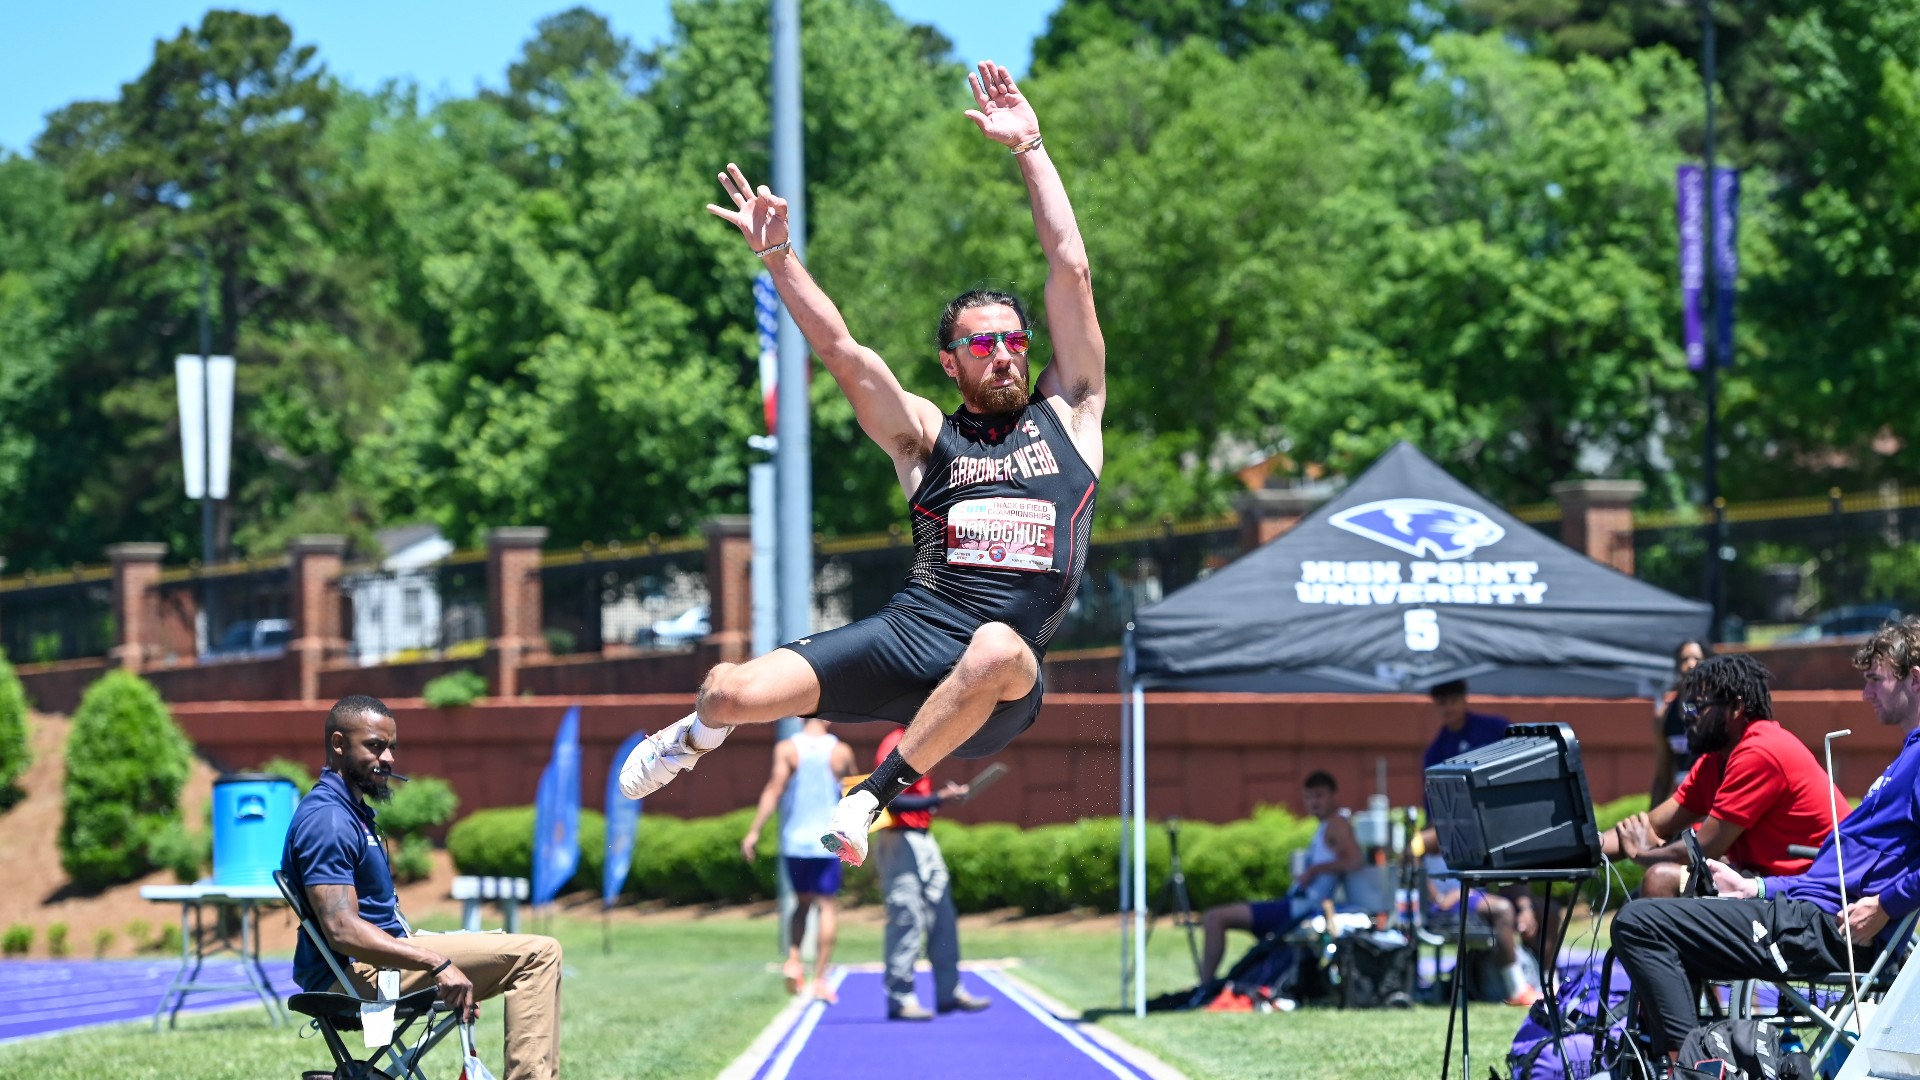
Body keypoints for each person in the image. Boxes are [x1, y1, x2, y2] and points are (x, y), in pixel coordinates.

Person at [620, 59, 1105, 870]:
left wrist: (1031, 149)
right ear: (950, 363)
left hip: (1000, 680)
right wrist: (779, 259)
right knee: (727, 690)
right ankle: (689, 740)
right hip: (912, 633)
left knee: (996, 647)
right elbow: (845, 354)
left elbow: (1071, 270)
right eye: (981, 344)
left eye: (1014, 340)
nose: (1003, 355)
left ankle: (873, 794)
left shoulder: (1072, 415)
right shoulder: (925, 436)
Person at [1613, 617, 1920, 1073]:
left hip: (1828, 929)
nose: (1865, 693)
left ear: (1914, 679)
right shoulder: (1907, 755)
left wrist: (1887, 905)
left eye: (1875, 679)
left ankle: (1695, 1067)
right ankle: (1700, 1060)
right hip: (1800, 911)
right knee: (1654, 918)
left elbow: (1709, 841)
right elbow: (1826, 876)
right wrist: (1755, 889)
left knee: (1641, 922)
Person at [282, 695, 562, 1080]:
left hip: (379, 964)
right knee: (538, 954)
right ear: (338, 744)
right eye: (375, 746)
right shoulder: (328, 819)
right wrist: (438, 964)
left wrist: (456, 967)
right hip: (350, 977)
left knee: (528, 952)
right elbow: (342, 930)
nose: (389, 758)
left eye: (391, 747)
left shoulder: (351, 812)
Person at [1600, 653, 1848, 898]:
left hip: (1813, 891)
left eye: (1697, 707)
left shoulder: (1760, 751)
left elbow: (1704, 848)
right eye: (1687, 705)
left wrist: (1642, 854)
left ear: (1736, 707)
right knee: (1634, 907)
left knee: (1661, 879)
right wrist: (1581, 848)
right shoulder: (1714, 760)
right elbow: (1653, 825)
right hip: (1763, 884)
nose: (1687, 717)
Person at [1196, 771, 1387, 985]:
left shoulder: (1337, 824)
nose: (1314, 802)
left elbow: (1355, 860)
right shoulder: (1325, 824)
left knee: (1215, 917)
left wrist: (1315, 870)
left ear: (1333, 796)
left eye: (1319, 796)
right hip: (1293, 903)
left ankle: (1204, 986)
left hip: (1301, 909)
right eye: (1309, 797)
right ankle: (1215, 984)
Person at [1417, 680, 1540, 1003]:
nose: (1449, 707)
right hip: (1459, 887)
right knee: (1500, 910)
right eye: (1442, 701)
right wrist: (1435, 892)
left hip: (1497, 856)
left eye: (1453, 699)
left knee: (1546, 911)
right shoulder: (1436, 754)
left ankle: (1548, 982)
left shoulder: (1494, 728)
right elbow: (1422, 843)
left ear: (1463, 699)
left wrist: (1525, 905)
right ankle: (1515, 989)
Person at [869, 725, 991, 1020]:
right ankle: (901, 998)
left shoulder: (926, 741)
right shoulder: (897, 743)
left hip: (924, 837)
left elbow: (918, 797)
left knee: (942, 915)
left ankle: (949, 991)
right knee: (906, 917)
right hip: (900, 840)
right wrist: (939, 799)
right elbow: (889, 798)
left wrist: (939, 799)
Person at [740, 717, 858, 1002]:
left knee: (802, 903)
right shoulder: (841, 751)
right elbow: (857, 794)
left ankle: (793, 960)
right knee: (827, 906)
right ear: (829, 717)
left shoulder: (787, 749)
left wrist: (754, 831)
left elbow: (774, 789)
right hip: (829, 842)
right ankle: (819, 979)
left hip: (796, 841)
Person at [1650, 639, 1710, 805]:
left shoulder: (1715, 709)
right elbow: (1663, 772)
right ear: (1677, 666)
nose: (1691, 664)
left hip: (1712, 796)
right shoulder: (1665, 715)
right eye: (1685, 659)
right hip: (1683, 800)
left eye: (1697, 659)